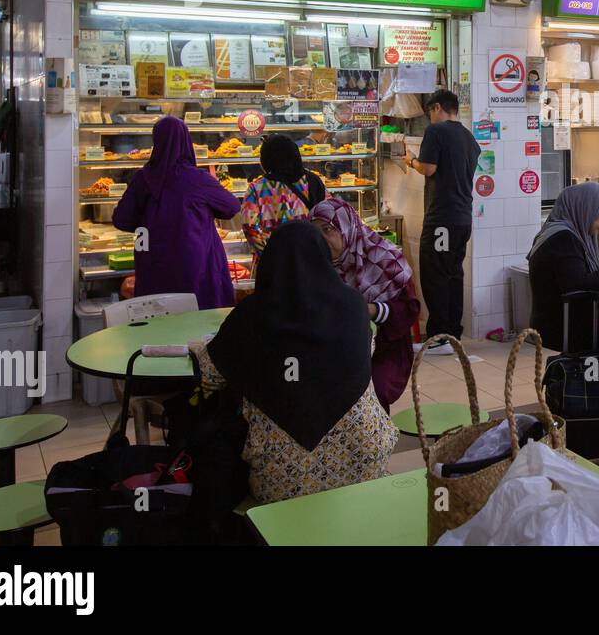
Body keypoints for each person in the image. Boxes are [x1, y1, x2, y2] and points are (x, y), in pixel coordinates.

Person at [188, 221, 399, 503]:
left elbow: (208, 376)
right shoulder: (353, 305)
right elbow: (364, 351)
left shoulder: (251, 315)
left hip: (283, 480)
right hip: (363, 462)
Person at [113, 116, 242, 309]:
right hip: (195, 262)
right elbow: (231, 206)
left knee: (159, 320)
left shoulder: (143, 177)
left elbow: (121, 219)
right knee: (198, 321)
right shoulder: (197, 178)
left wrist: (149, 223)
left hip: (152, 262)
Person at [311, 197, 421, 411]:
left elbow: (410, 310)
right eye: (316, 232)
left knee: (371, 391)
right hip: (337, 347)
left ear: (346, 227)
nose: (322, 239)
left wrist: (372, 310)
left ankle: (375, 442)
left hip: (386, 347)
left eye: (328, 229)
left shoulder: (386, 258)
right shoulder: (316, 265)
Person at [406, 89, 481, 354]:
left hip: (442, 219)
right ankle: (452, 334)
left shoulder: (436, 132)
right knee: (452, 273)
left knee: (435, 274)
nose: (430, 117)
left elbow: (428, 168)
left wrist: (411, 160)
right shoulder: (469, 137)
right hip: (462, 217)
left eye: (430, 112)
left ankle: (439, 337)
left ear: (437, 107)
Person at [527, 181, 599, 351]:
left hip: (552, 322)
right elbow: (578, 283)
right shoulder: (563, 238)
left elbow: (567, 265)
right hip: (562, 326)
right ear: (586, 211)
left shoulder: (555, 231)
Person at [241, 135, 328, 272]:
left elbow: (250, 228)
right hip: (311, 262)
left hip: (274, 269)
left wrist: (273, 256)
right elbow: (328, 217)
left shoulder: (257, 189)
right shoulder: (313, 181)